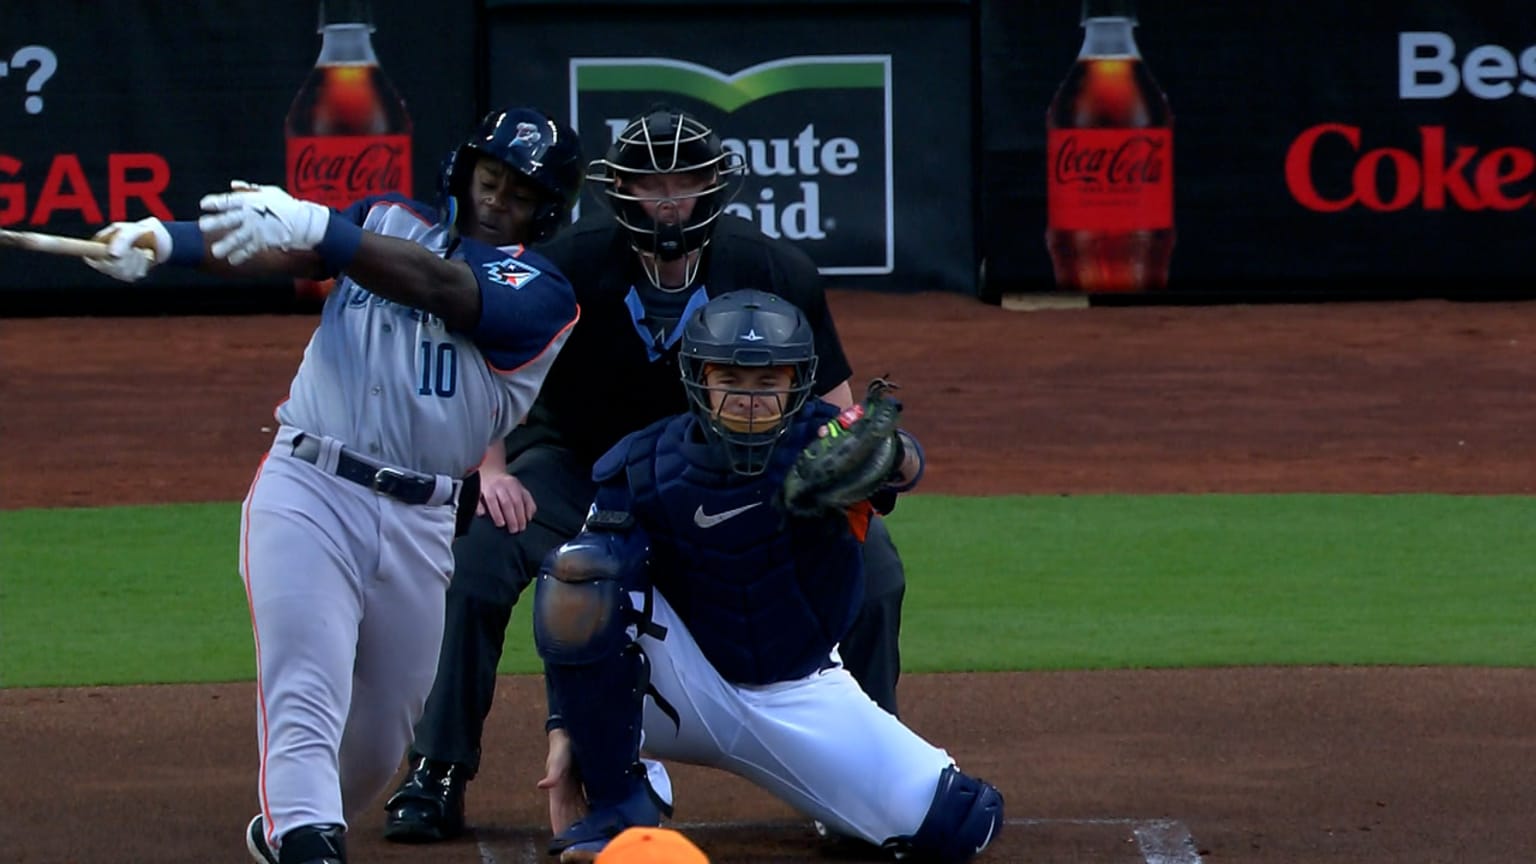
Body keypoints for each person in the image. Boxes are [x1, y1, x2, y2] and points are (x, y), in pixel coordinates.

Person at [383, 106, 909, 844]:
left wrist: (848, 465)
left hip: (734, 469)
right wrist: (491, 469)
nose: (665, 201)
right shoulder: (569, 262)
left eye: (682, 182)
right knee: (477, 560)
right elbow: (491, 365)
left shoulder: (770, 269)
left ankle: (869, 771)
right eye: (648, 182)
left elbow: (831, 406)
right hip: (578, 464)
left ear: (712, 188)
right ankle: (436, 769)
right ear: (616, 188)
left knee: (874, 567)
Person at [83, 106, 585, 864]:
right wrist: (164, 241)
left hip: (422, 522)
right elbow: (273, 249)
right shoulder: (385, 220)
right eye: (490, 178)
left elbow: (440, 286)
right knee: (305, 697)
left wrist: (322, 230)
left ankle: (293, 827)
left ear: (545, 211)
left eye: (518, 192)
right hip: (310, 487)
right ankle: (307, 835)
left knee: (380, 744)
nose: (496, 197)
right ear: (464, 168)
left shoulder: (542, 293)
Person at [535, 290, 1004, 863]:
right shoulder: (643, 463)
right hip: (679, 685)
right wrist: (565, 729)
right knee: (581, 568)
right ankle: (620, 802)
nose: (750, 399)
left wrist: (895, 451)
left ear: (797, 383)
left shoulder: (828, 443)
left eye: (768, 382)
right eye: (731, 378)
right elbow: (574, 592)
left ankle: (837, 796)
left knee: (961, 822)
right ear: (699, 379)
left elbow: (902, 465)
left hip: (799, 689)